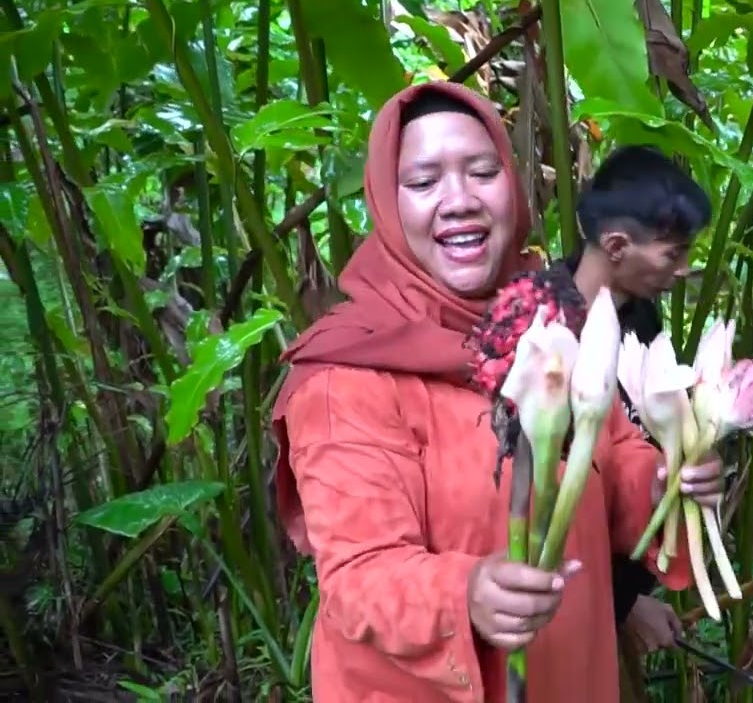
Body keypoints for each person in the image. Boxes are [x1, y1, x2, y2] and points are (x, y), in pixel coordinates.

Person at [269, 82, 725, 702]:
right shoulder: (345, 374)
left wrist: (669, 481)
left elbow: (615, 456)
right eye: (424, 182)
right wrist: (466, 592)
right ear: (386, 204)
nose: (458, 200)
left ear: (511, 185)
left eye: (482, 172)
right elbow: (358, 575)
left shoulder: (551, 323)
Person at [562, 145, 753, 697]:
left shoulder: (638, 316)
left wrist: (749, 416)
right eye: (673, 254)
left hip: (611, 600)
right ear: (617, 246)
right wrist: (624, 605)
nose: (684, 271)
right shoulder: (545, 326)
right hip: (564, 611)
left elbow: (656, 418)